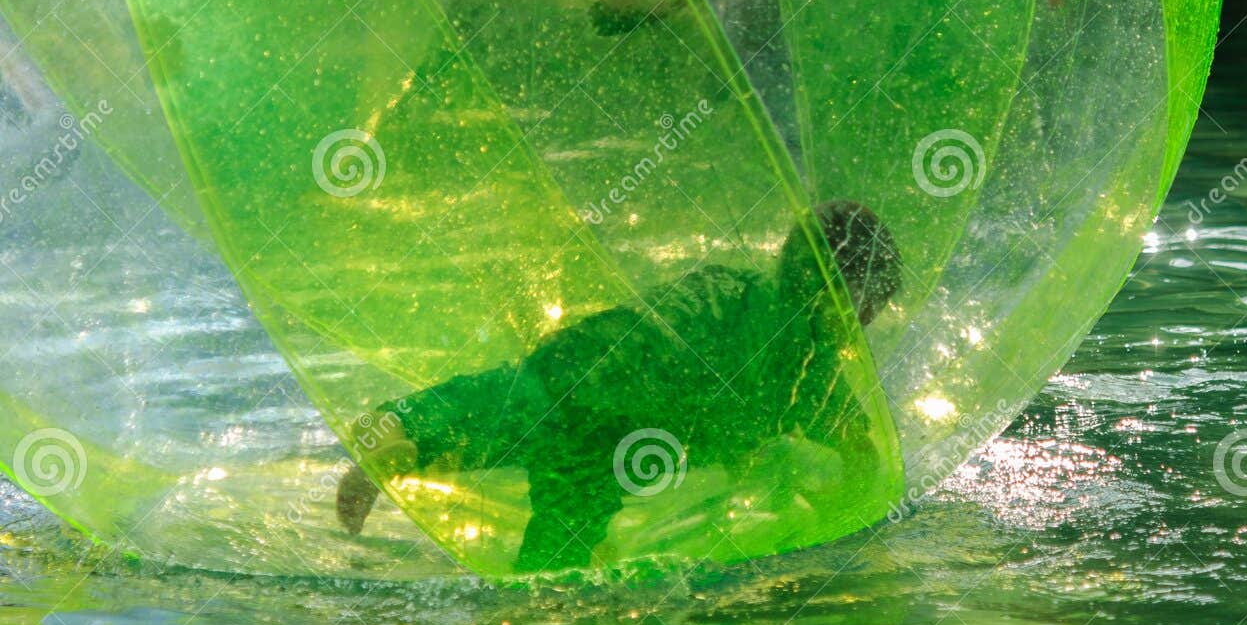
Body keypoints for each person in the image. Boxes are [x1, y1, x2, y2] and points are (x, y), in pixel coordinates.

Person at [335, 201, 904, 571]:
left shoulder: (739, 291)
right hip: (624, 426)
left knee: (504, 408)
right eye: (870, 305)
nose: (869, 322)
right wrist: (834, 514)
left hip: (586, 361)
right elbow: (860, 460)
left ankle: (401, 430)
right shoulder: (806, 358)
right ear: (846, 296)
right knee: (560, 559)